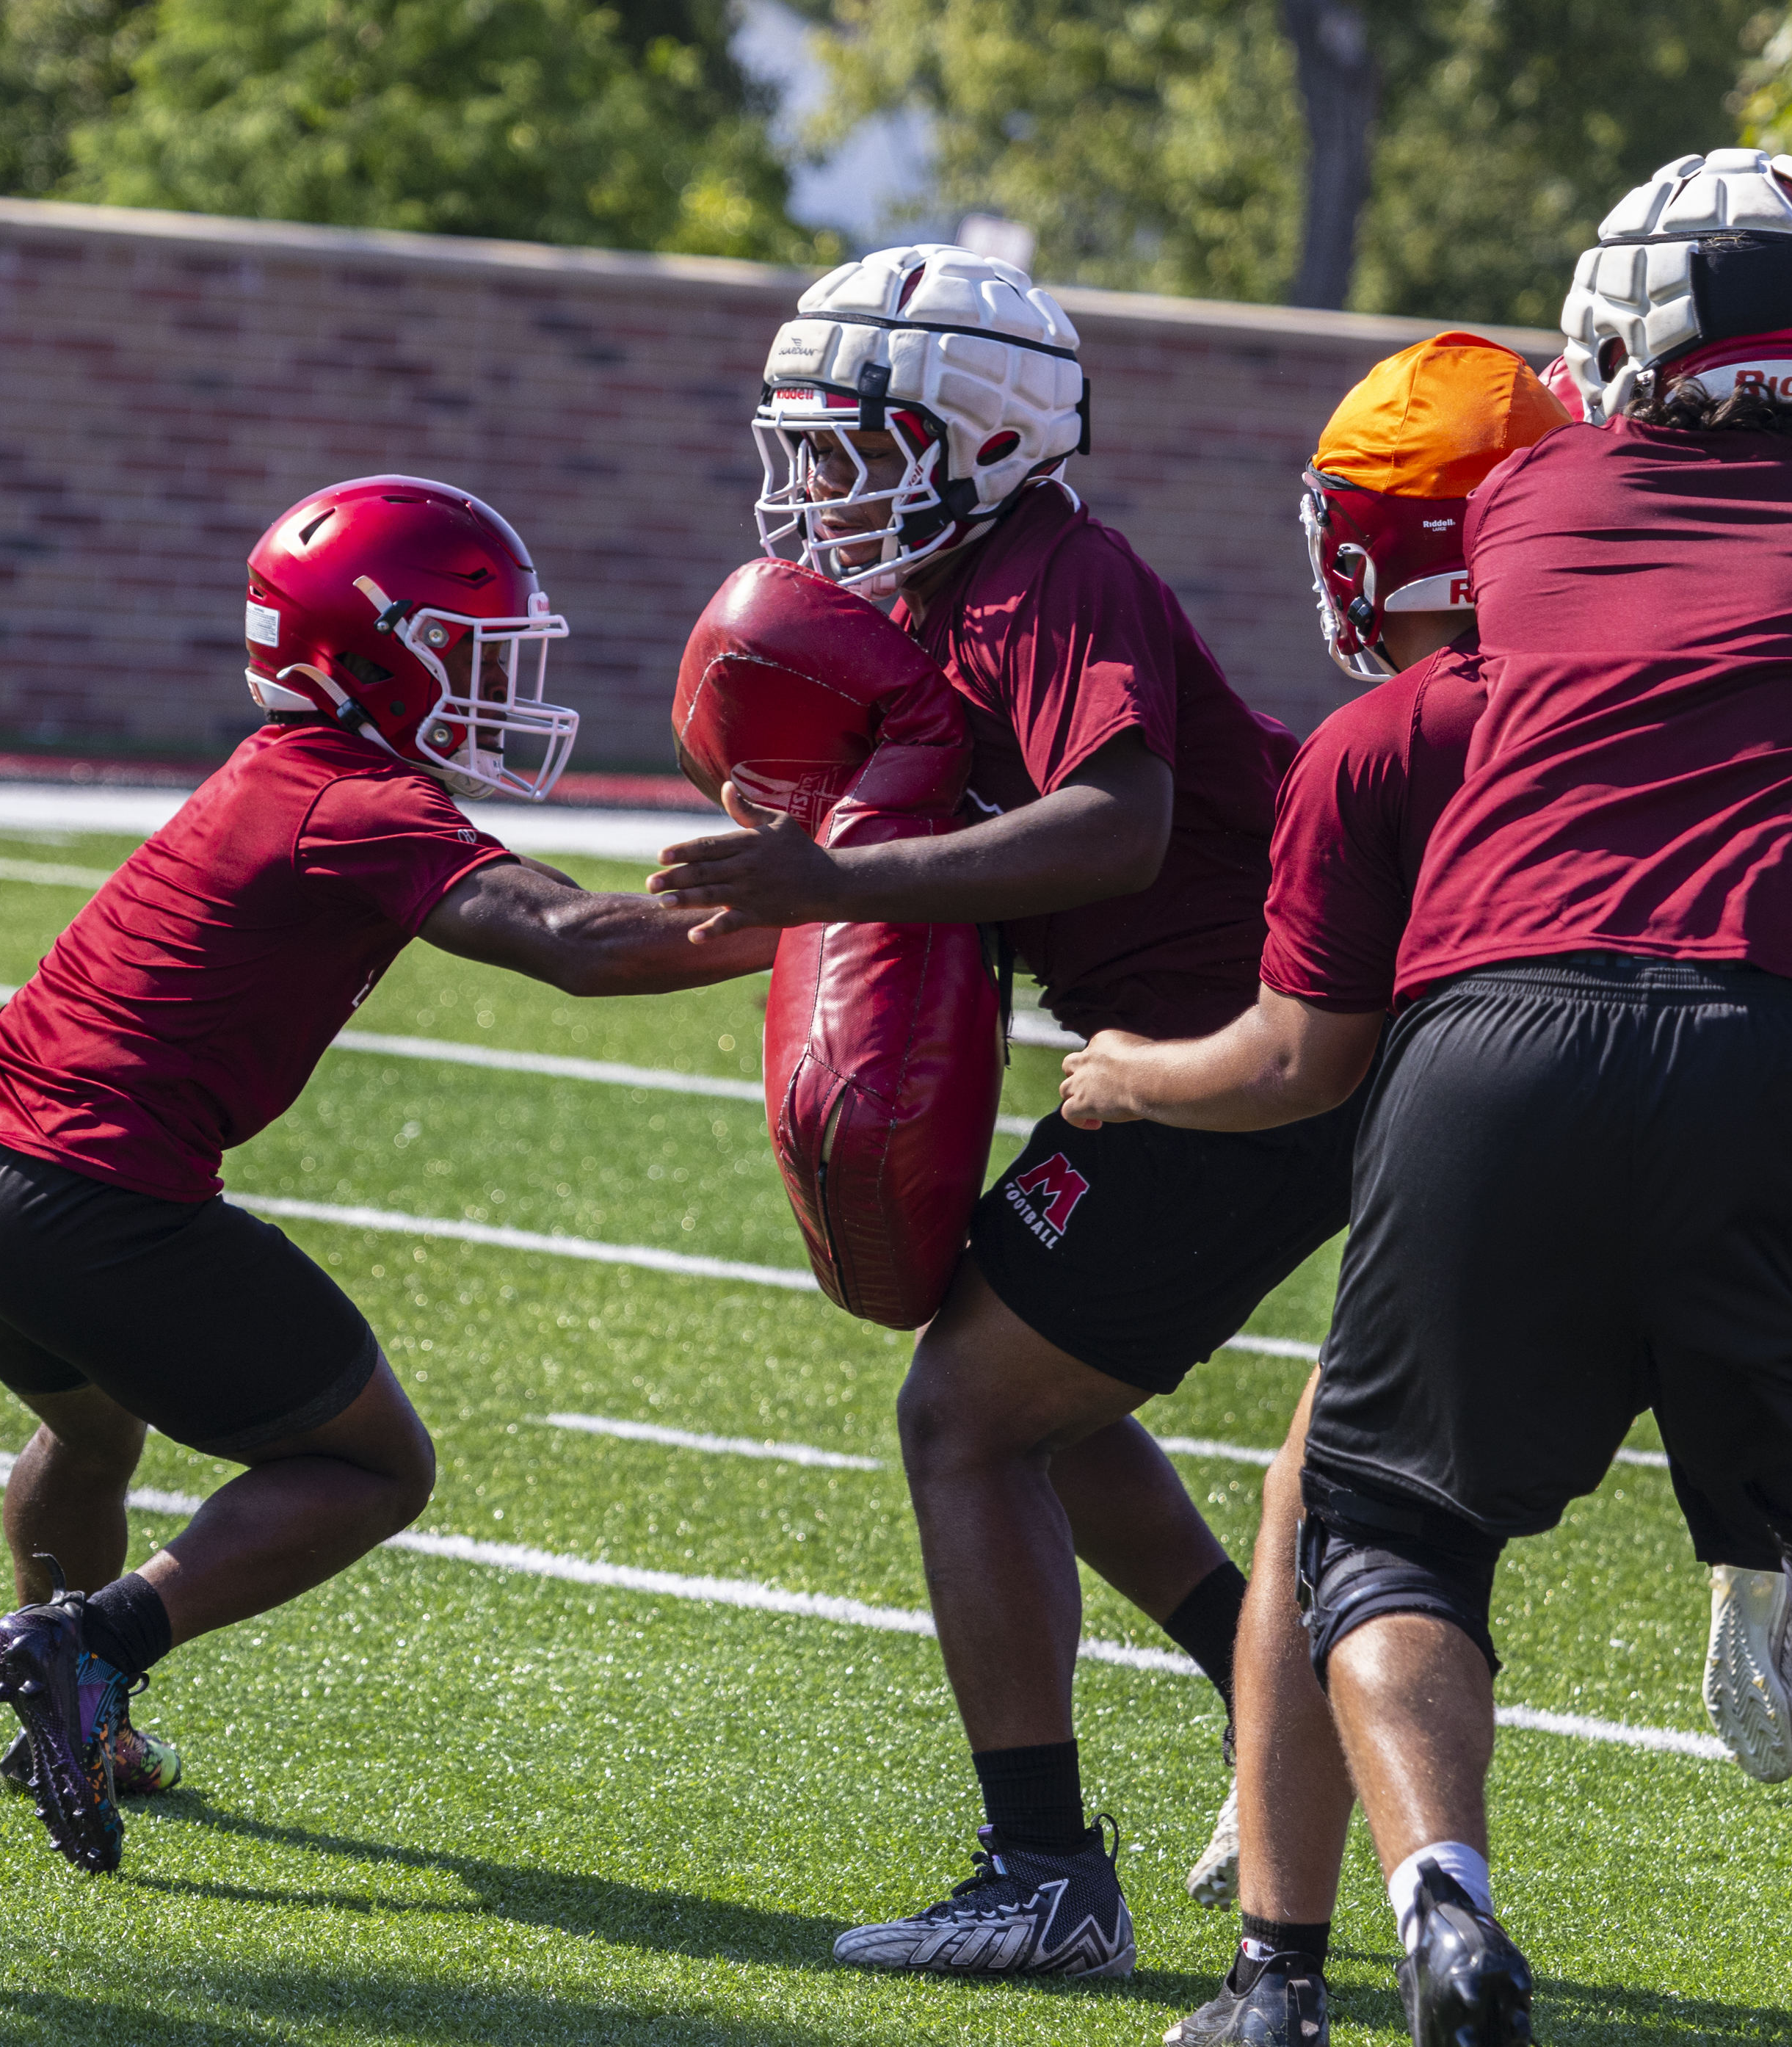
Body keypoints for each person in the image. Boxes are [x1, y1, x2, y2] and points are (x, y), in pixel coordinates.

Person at [0, 475, 778, 1874]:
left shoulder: (286, 771)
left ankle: (68, 1724)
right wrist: (835, 908)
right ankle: (92, 1645)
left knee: (93, 1434)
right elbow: (577, 941)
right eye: (472, 653)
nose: (500, 690)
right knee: (375, 1465)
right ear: (374, 654)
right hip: (84, 1196)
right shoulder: (355, 796)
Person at [650, 243, 1327, 1979]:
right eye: (799, 447)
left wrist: (826, 876)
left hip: (1239, 1049)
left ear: (980, 437)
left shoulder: (1047, 570)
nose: (813, 485)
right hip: (1201, 1041)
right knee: (1034, 1397)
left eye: (849, 446)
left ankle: (1042, 1874)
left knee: (962, 1411)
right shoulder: (943, 596)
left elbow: (1112, 820)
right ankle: (1266, 1700)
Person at [1294, 147, 1792, 2043]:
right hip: (1781, 1035)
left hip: (1491, 1028)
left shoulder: (1534, 497)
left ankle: (1441, 1904)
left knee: (1387, 1526)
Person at [1052, 331, 1570, 2043]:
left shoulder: (1383, 735)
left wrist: (1125, 1072)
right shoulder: (1685, 680)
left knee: (1328, 1517)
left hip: (1484, 1161)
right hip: (1772, 1141)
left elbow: (1294, 1059)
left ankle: (1279, 1969)